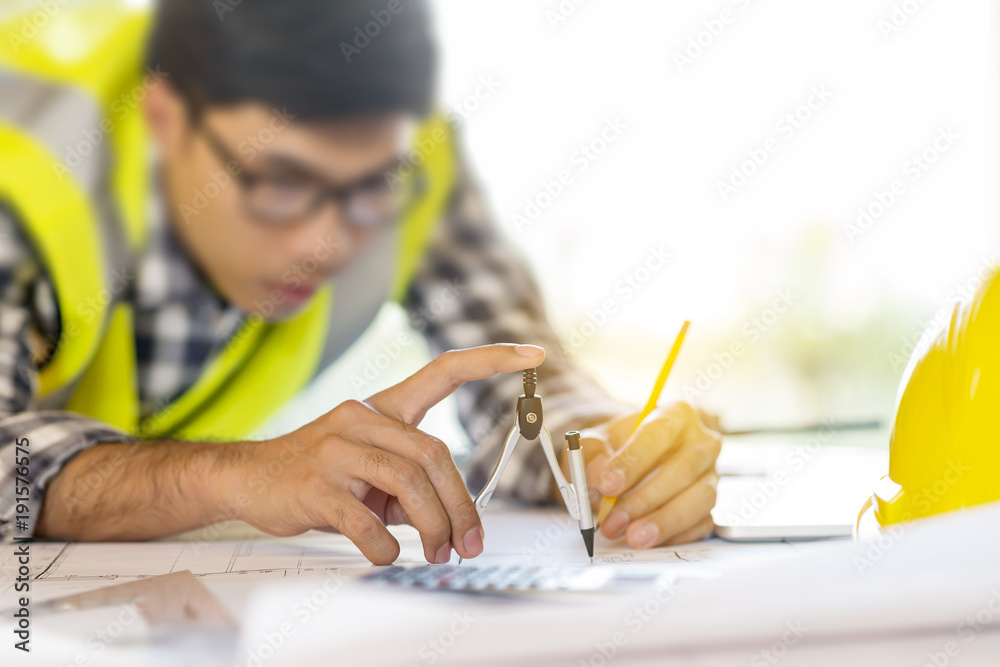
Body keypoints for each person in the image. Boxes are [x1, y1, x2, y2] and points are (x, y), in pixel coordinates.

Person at [0, 0, 721, 565]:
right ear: (165, 116)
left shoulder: (409, 158)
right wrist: (237, 475)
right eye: (281, 182)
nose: (327, 243)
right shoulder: (22, 164)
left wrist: (603, 453)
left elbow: (524, 381)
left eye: (369, 189)